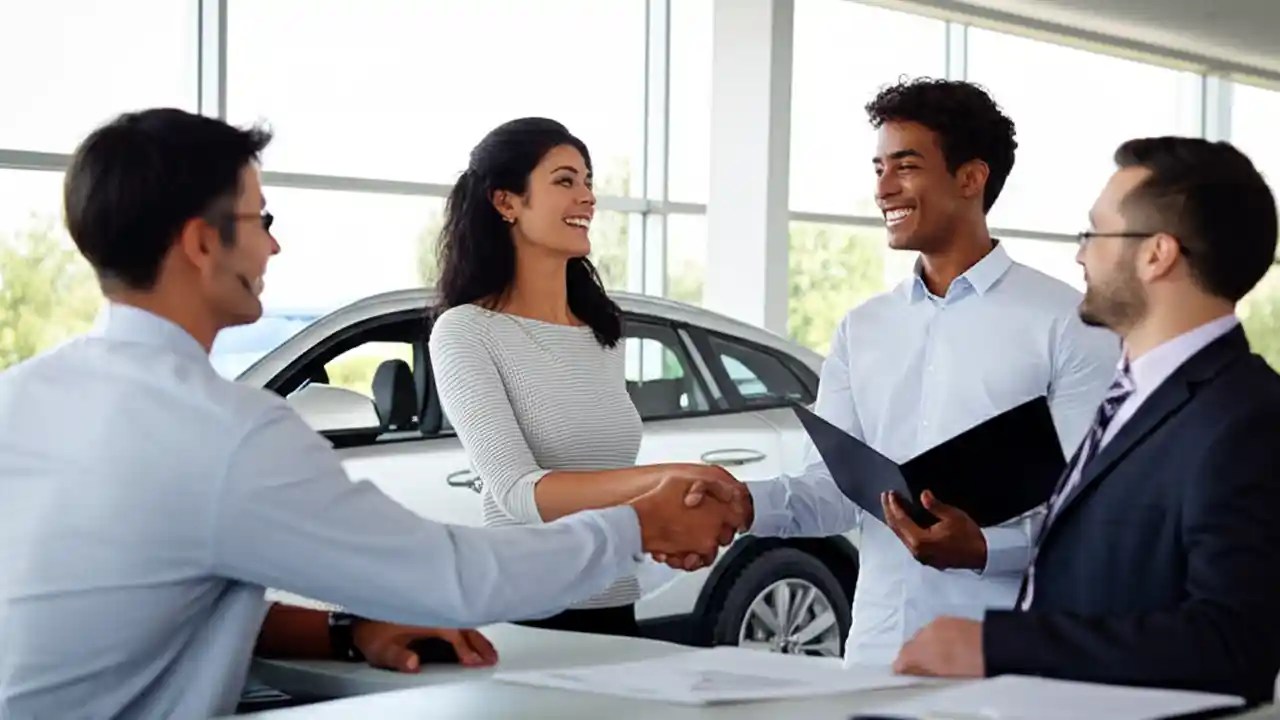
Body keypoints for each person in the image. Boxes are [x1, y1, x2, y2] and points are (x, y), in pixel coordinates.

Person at [0, 108, 741, 719]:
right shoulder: (225, 432)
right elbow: (451, 578)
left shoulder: (22, 397)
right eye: (261, 219)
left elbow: (142, 602)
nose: (274, 243)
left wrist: (345, 632)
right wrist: (639, 523)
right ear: (201, 243)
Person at [668, 78, 1121, 665]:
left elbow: (1093, 515)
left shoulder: (1070, 323)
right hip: (876, 653)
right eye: (878, 168)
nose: (883, 189)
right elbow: (830, 492)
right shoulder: (864, 329)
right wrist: (744, 504)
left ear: (970, 177)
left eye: (904, 166)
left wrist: (985, 548)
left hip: (1007, 658)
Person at [893, 137, 1280, 704]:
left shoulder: (1245, 416)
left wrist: (997, 644)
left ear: (1157, 254)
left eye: (1096, 234)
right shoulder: (1133, 394)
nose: (1081, 255)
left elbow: (1232, 643)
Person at [429, 117, 749, 638]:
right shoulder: (465, 332)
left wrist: (667, 520)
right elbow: (518, 491)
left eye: (588, 181)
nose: (587, 197)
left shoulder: (601, 330)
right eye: (564, 181)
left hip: (615, 603)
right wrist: (670, 483)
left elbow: (603, 481)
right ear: (506, 202)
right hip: (528, 611)